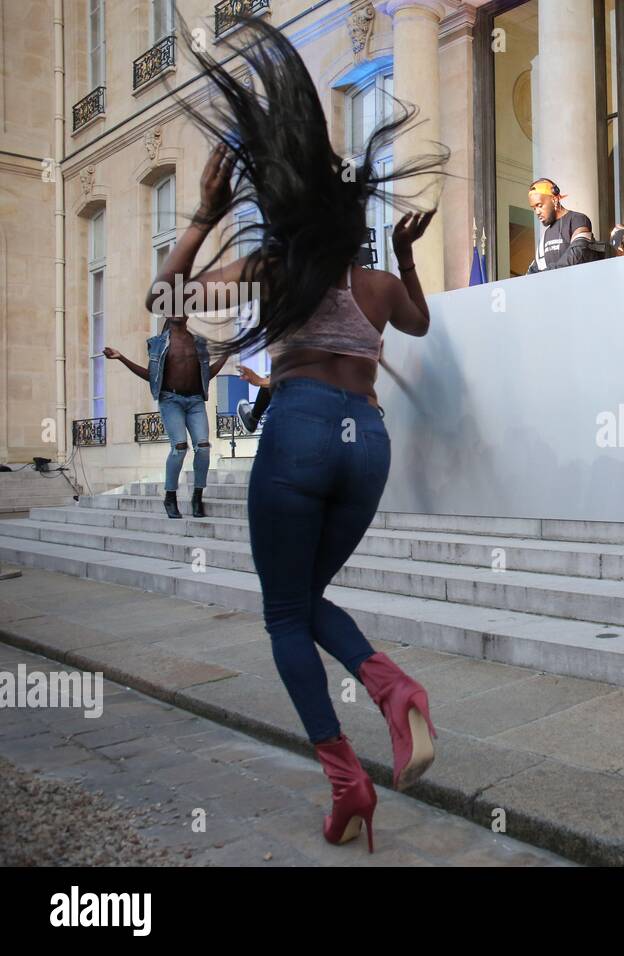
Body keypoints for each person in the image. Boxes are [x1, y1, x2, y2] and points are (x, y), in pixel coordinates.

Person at [152, 14, 446, 853]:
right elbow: (420, 326)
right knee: (307, 598)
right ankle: (392, 692)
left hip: (301, 427)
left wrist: (206, 213)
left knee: (284, 612)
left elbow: (163, 299)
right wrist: (404, 255)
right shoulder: (380, 284)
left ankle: (347, 774)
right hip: (369, 442)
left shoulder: (279, 268)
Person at [103, 317, 231, 519]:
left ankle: (197, 496)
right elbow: (151, 376)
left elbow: (207, 375)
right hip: (170, 400)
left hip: (196, 401)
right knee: (179, 447)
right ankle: (170, 496)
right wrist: (121, 357)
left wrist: (226, 356)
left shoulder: (199, 343)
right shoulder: (157, 343)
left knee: (204, 447)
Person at [525, 177, 600, 273]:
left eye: (540, 205)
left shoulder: (578, 220)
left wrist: (547, 274)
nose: (537, 212)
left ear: (555, 199)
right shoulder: (546, 235)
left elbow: (577, 254)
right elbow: (533, 270)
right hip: (555, 286)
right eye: (534, 208)